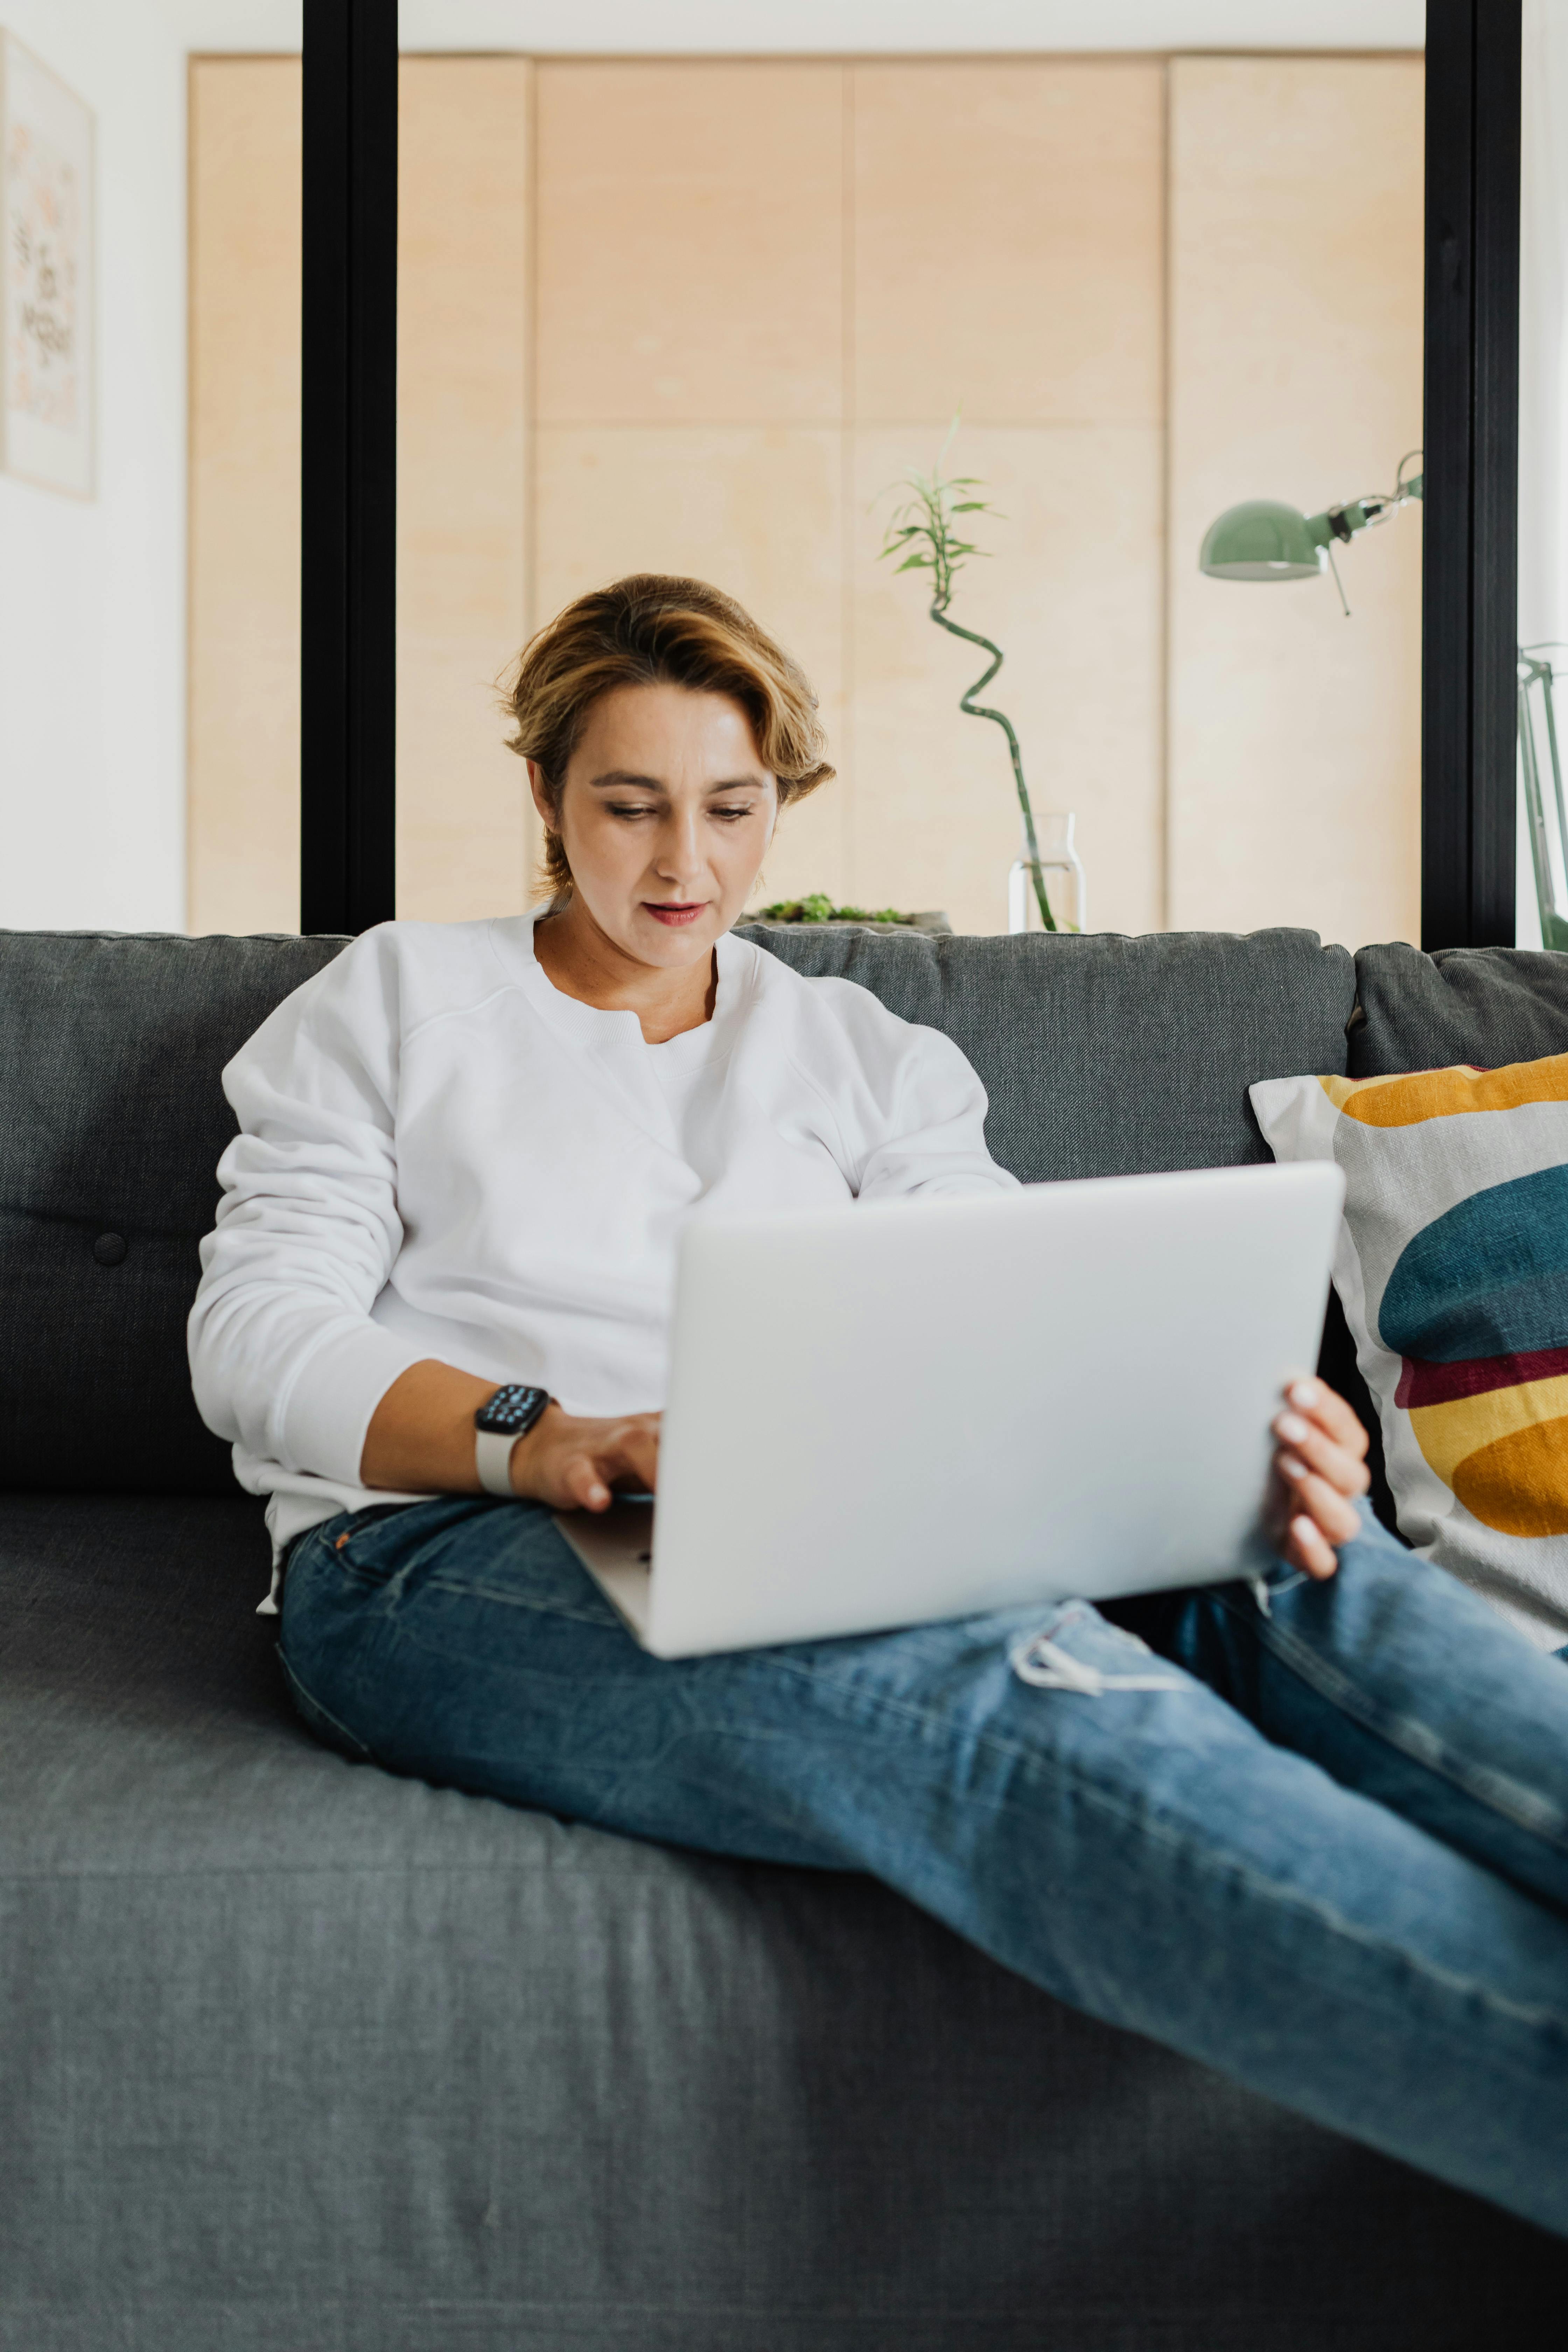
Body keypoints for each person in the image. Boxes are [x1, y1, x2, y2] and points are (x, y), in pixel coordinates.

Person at [190, 574, 1568, 2239]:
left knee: (1305, 1575)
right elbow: (258, 1330)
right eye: (628, 808)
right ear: (546, 799)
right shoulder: (389, 1003)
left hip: (849, 1509)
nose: (681, 864)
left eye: (729, 810)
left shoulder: (862, 1048)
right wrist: (538, 1434)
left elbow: (1002, 1313)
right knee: (1001, 1691)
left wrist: (1235, 1437)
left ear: (782, 806)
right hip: (441, 1542)